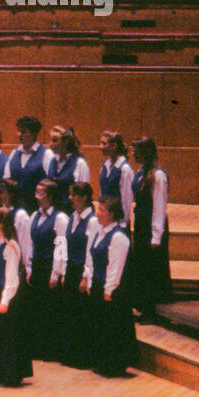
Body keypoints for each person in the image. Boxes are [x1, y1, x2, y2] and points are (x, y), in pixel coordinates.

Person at [82, 195, 136, 377]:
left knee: (113, 328)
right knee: (101, 327)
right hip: (98, 284)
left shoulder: (119, 237)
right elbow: (93, 259)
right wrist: (89, 280)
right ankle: (104, 362)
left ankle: (115, 364)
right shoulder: (100, 232)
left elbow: (116, 267)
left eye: (102, 210)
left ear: (112, 214)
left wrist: (108, 290)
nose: (98, 213)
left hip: (112, 291)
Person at [0, 207, 32, 388]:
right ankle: (0, 372)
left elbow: (12, 279)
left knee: (9, 337)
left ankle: (12, 375)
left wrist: (4, 301)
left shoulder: (11, 247)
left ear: (1, 224)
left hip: (9, 296)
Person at [23, 179, 68, 362]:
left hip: (50, 267)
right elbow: (30, 243)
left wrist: (55, 273)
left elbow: (61, 246)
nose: (36, 196)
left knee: (51, 309)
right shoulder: (34, 215)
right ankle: (38, 347)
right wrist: (29, 268)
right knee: (37, 308)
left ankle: (51, 349)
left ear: (50, 196)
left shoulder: (60, 218)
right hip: (37, 268)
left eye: (40, 193)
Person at [128, 137, 171, 319]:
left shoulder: (158, 175)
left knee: (153, 270)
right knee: (142, 267)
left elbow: (159, 207)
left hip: (151, 228)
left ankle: (154, 310)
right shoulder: (141, 172)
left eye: (135, 151)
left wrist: (156, 236)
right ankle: (144, 306)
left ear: (144, 152)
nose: (132, 154)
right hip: (140, 224)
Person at [62, 182, 101, 370]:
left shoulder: (92, 221)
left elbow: (90, 249)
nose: (70, 198)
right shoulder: (72, 217)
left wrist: (86, 275)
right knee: (71, 312)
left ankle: (85, 357)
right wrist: (61, 271)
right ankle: (72, 354)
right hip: (70, 269)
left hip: (81, 271)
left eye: (73, 195)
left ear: (84, 197)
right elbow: (63, 243)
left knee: (83, 314)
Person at [8, 115, 56, 198]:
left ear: (34, 134)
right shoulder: (14, 153)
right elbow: (7, 179)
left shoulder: (46, 154)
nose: (19, 135)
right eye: (19, 131)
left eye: (24, 132)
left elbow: (50, 183)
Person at [46, 126, 90, 212]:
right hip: (55, 212)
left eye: (55, 141)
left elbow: (83, 194)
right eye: (50, 140)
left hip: (71, 212)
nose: (50, 144)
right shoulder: (52, 161)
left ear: (65, 142)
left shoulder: (79, 163)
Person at [98, 130, 135, 225]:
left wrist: (123, 223)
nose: (100, 147)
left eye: (104, 144)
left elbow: (126, 199)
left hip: (118, 222)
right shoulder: (105, 166)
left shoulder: (125, 169)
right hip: (106, 219)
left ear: (114, 146)